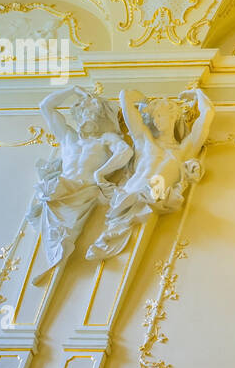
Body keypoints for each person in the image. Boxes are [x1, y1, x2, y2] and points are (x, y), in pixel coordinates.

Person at [87, 87, 213, 261]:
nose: (155, 120)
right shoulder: (144, 140)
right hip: (127, 196)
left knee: (130, 251)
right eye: (153, 117)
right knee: (114, 252)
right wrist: (147, 102)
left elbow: (207, 115)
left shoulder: (184, 151)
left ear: (174, 116)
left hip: (151, 200)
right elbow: (125, 96)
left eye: (160, 115)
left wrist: (197, 93)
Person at [27, 86, 131, 284]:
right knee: (57, 239)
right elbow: (46, 106)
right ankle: (54, 266)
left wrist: (101, 172)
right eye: (84, 112)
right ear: (78, 115)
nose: (88, 116)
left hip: (84, 193)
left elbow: (125, 152)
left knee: (66, 239)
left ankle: (56, 264)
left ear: (100, 117)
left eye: (93, 112)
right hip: (59, 193)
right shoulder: (68, 137)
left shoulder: (105, 139)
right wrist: (73, 89)